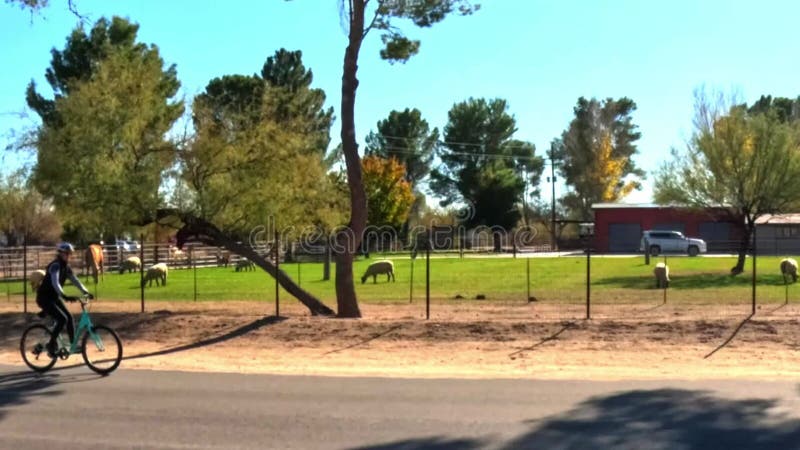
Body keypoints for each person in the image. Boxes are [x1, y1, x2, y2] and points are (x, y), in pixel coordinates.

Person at [36, 242, 93, 356]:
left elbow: (75, 280)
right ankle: (51, 345)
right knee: (62, 319)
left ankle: (73, 345)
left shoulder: (66, 267)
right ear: (61, 253)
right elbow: (55, 282)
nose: (68, 256)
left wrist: (86, 291)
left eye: (70, 254)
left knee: (69, 318)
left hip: (54, 298)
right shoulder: (55, 266)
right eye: (67, 253)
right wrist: (64, 295)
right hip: (44, 298)